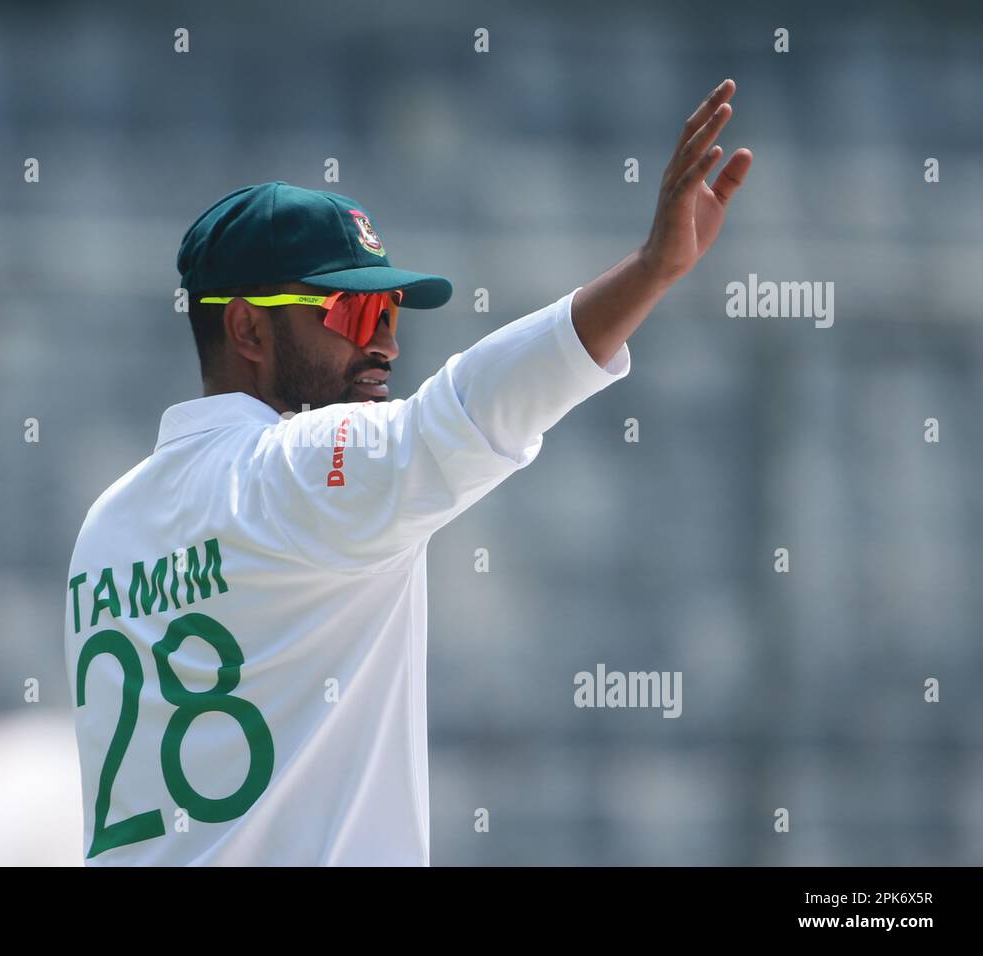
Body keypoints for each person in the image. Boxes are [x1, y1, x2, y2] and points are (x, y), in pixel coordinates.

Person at [65, 79, 752, 865]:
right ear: (247, 326)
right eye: (352, 315)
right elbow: (466, 411)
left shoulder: (106, 522)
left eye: (389, 311)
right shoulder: (290, 475)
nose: (386, 345)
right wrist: (649, 271)